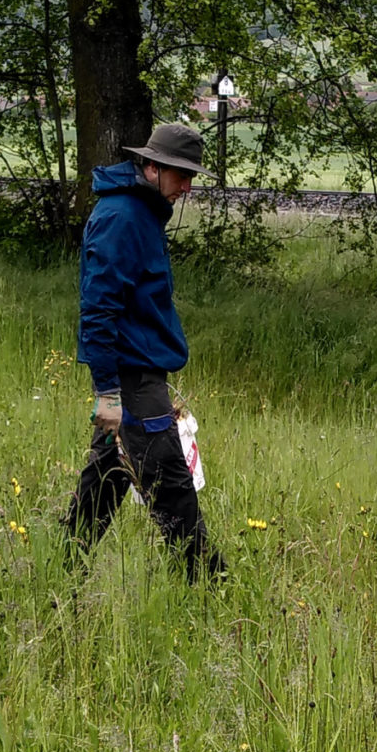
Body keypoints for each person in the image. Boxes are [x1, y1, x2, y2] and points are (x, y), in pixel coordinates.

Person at [64, 121, 221, 580]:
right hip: (132, 382)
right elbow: (97, 310)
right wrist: (110, 393)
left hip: (138, 377)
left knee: (105, 483)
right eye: (179, 173)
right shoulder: (123, 218)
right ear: (151, 166)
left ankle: (60, 571)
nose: (186, 186)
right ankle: (210, 586)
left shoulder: (140, 213)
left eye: (191, 175)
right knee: (172, 486)